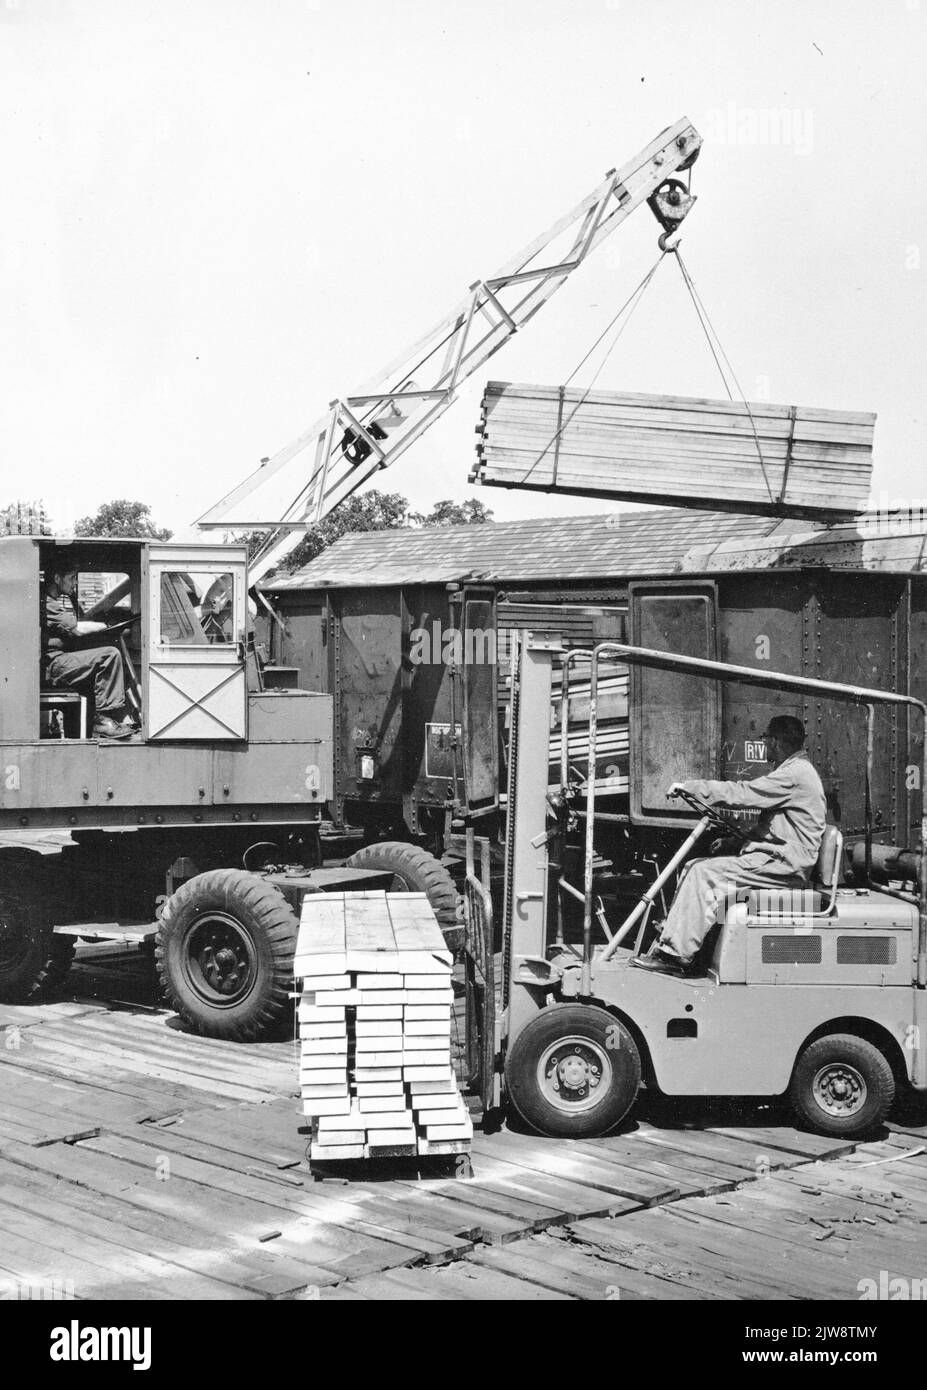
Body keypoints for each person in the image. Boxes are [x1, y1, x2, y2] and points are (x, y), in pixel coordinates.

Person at [632, 714, 827, 975]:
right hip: (780, 859)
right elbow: (771, 829)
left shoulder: (794, 774)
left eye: (765, 739)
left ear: (777, 742)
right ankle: (681, 941)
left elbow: (742, 793)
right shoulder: (794, 771)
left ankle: (675, 956)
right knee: (694, 865)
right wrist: (734, 841)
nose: (765, 744)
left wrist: (691, 788)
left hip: (785, 865)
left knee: (704, 874)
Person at [43, 566, 136, 741]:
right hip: (52, 665)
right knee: (109, 655)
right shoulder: (46, 602)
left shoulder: (52, 601)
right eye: (71, 578)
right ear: (57, 578)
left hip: (57, 661)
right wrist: (107, 625)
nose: (75, 582)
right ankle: (104, 721)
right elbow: (77, 629)